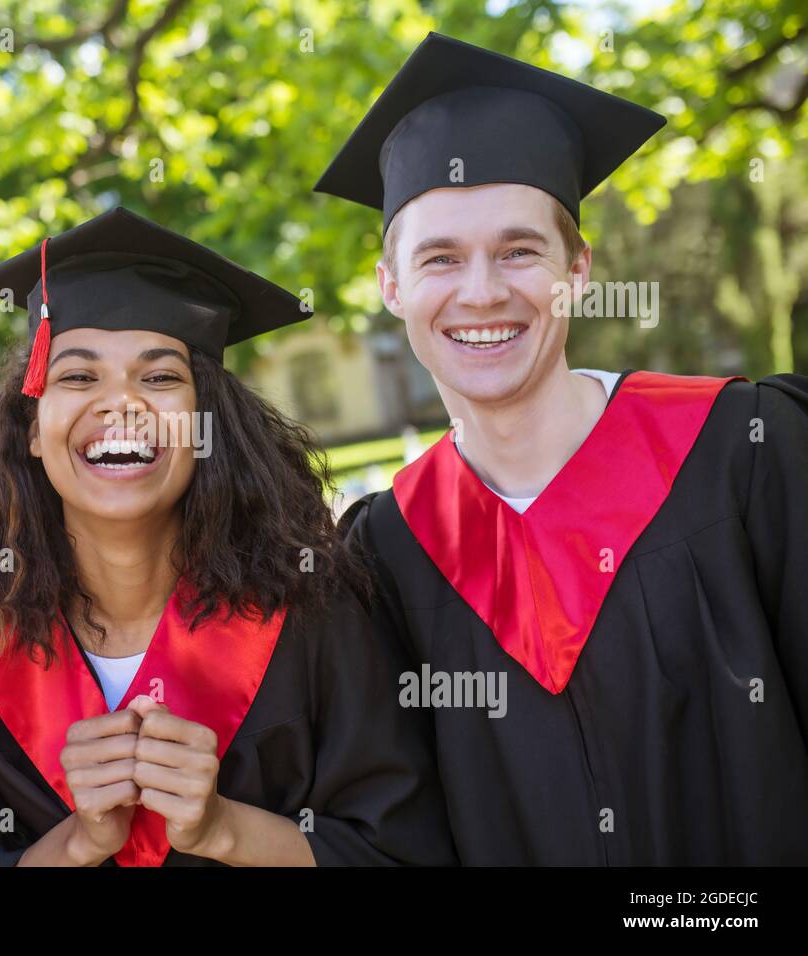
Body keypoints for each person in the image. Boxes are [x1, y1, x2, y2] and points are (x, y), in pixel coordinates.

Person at [316, 31, 808, 864]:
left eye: (519, 251)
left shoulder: (744, 451)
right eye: (441, 257)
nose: (482, 292)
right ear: (391, 285)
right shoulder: (386, 554)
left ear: (577, 268)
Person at [0, 206, 458, 866]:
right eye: (78, 376)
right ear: (31, 425)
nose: (121, 404)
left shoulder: (313, 610)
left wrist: (223, 830)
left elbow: (400, 851)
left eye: (160, 376)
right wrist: (81, 842)